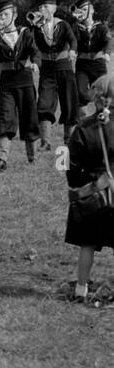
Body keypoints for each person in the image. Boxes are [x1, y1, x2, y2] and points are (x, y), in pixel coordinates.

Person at [63, 73, 114, 303]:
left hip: (92, 195)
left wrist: (86, 183)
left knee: (87, 245)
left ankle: (81, 289)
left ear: (95, 97)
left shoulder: (82, 128)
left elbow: (69, 166)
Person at [0, 0, 41, 170]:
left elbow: (35, 52)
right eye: (0, 15)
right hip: (6, 84)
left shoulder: (25, 33)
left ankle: (32, 157)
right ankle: (2, 159)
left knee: (29, 118)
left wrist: (35, 62)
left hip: (25, 81)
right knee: (5, 118)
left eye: (6, 14)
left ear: (15, 15)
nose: (2, 18)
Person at [31, 0, 80, 152]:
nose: (41, 10)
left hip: (64, 67)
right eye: (40, 7)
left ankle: (69, 140)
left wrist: (72, 50)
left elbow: (72, 39)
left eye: (45, 7)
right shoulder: (36, 27)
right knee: (44, 102)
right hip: (47, 70)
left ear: (54, 8)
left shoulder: (63, 24)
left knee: (69, 103)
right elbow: (32, 46)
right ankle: (45, 142)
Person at [72, 0, 111, 115]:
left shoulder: (101, 27)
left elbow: (108, 41)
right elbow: (71, 40)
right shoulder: (76, 28)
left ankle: (103, 121)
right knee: (81, 93)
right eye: (80, 10)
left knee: (102, 95)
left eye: (84, 9)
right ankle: (84, 122)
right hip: (82, 65)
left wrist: (107, 53)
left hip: (98, 64)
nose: (82, 13)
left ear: (92, 10)